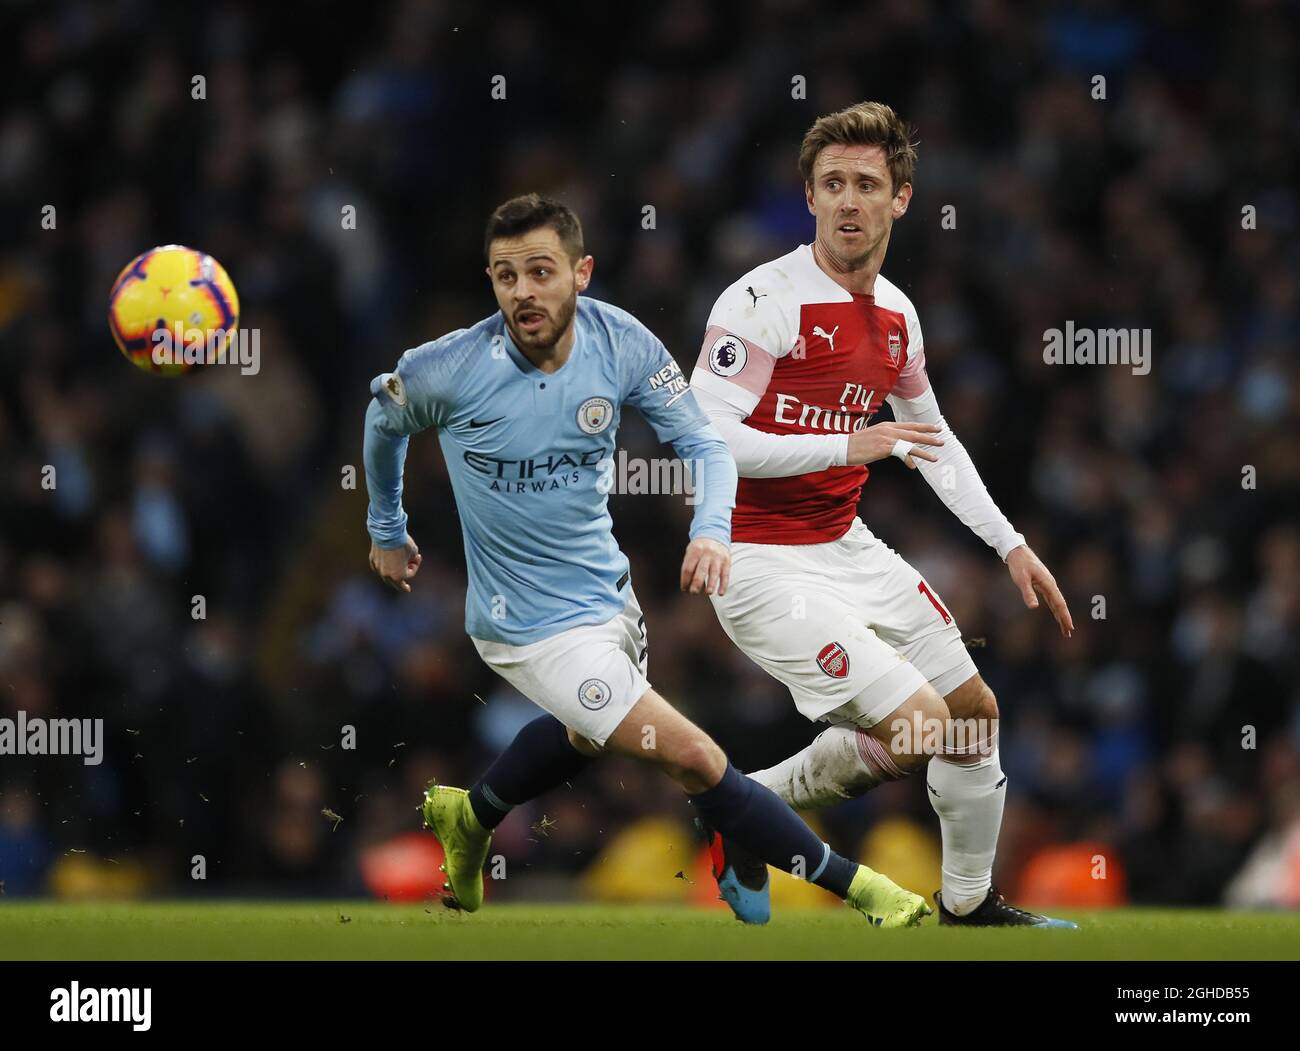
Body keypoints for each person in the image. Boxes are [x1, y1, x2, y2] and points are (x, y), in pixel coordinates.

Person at [363, 192, 931, 927]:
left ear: (582, 272)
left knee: (582, 738)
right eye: (506, 276)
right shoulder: (448, 367)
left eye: (541, 271)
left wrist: (711, 529)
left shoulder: (621, 342)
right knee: (694, 755)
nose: (523, 292)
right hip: (524, 626)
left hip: (608, 603)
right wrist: (385, 524)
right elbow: (384, 419)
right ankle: (864, 891)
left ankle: (470, 816)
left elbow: (703, 442)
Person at [689, 102, 1077, 927]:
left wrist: (1010, 544)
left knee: (973, 715)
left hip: (844, 545)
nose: (849, 201)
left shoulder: (897, 316)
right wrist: (845, 447)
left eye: (868, 184)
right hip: (757, 560)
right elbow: (710, 439)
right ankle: (751, 803)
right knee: (918, 728)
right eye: (832, 184)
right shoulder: (761, 300)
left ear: (901, 198)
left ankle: (968, 903)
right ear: (810, 197)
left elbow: (930, 440)